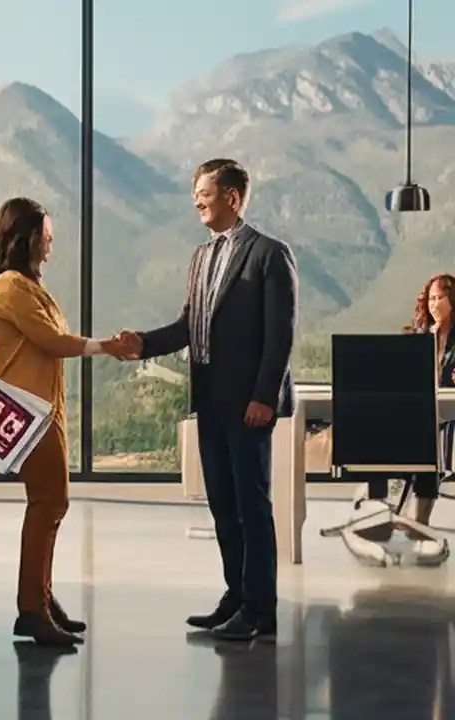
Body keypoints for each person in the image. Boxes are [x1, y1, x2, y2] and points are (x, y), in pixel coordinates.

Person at [111, 158, 298, 641]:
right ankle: (235, 597)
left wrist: (265, 397)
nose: (196, 200)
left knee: (253, 507)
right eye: (195, 191)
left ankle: (261, 612)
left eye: (205, 192)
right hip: (210, 404)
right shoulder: (200, 257)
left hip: (248, 405)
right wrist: (143, 343)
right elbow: (187, 328)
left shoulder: (269, 255)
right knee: (223, 506)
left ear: (232, 197)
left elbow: (281, 337)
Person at [0, 197, 126, 646]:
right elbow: (51, 339)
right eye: (45, 238)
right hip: (31, 411)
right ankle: (31, 607)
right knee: (47, 504)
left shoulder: (26, 286)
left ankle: (41, 598)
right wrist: (107, 346)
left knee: (52, 505)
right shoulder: (11, 287)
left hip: (48, 407)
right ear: (25, 238)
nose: (49, 247)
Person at [404, 273, 455, 526]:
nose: (434, 304)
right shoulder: (422, 336)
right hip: (424, 413)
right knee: (424, 437)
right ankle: (417, 521)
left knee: (430, 440)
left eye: (440, 298)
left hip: (449, 415)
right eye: (431, 299)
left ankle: (419, 521)